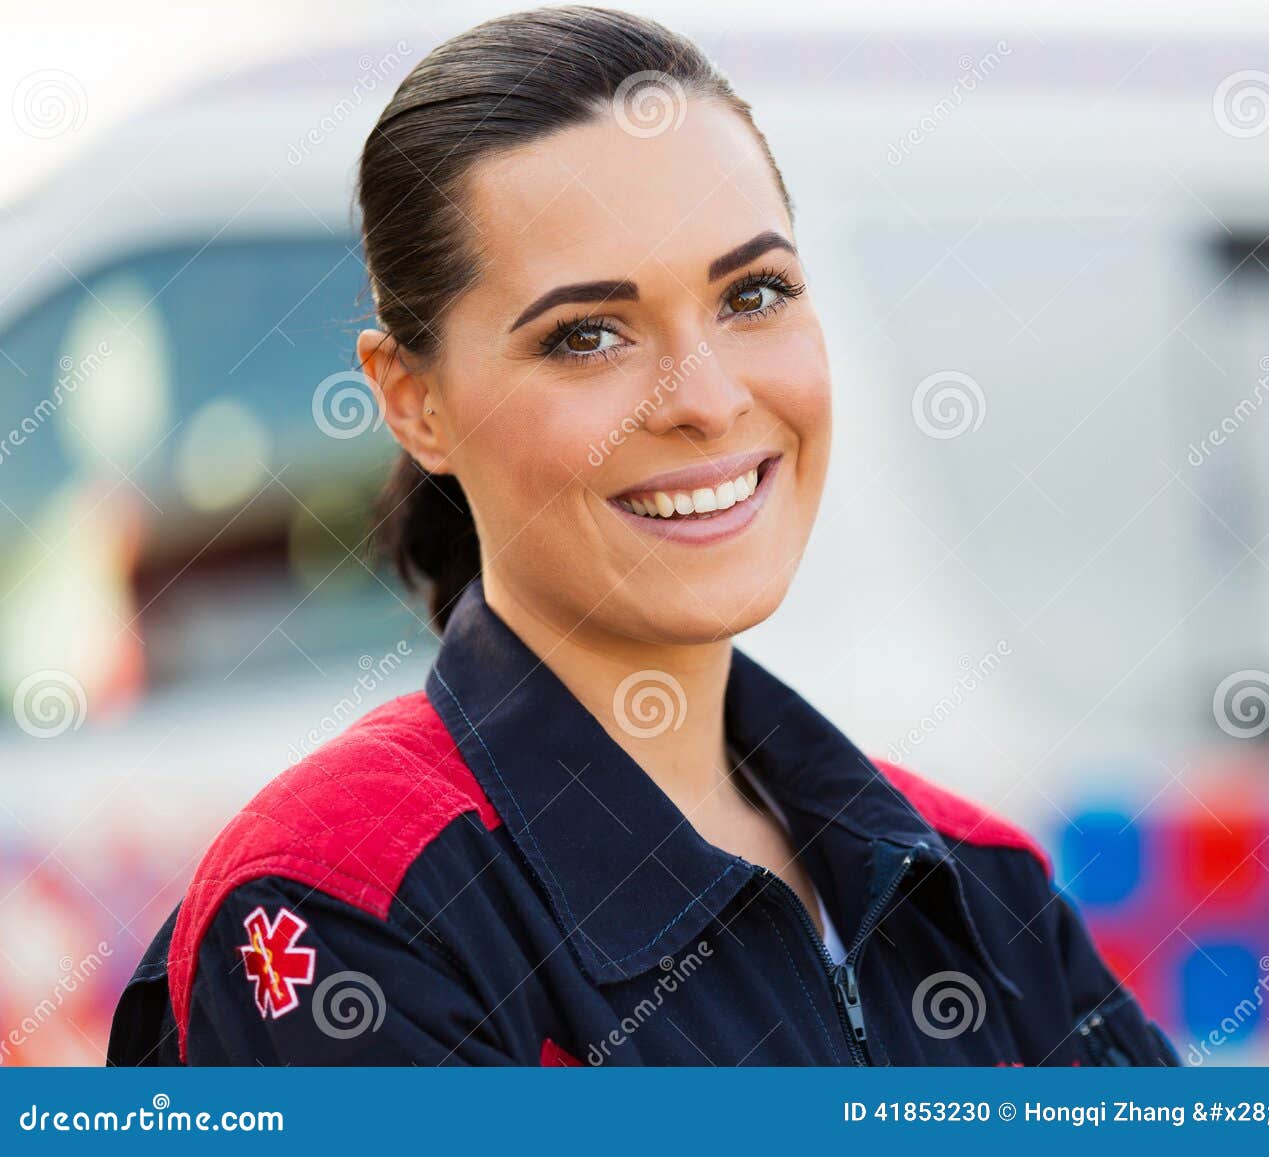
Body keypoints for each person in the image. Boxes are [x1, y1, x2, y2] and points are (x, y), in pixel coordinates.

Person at [107, 5, 1177, 1067]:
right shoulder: (347, 907)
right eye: (586, 335)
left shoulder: (978, 887)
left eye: (753, 293)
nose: (706, 399)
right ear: (412, 399)